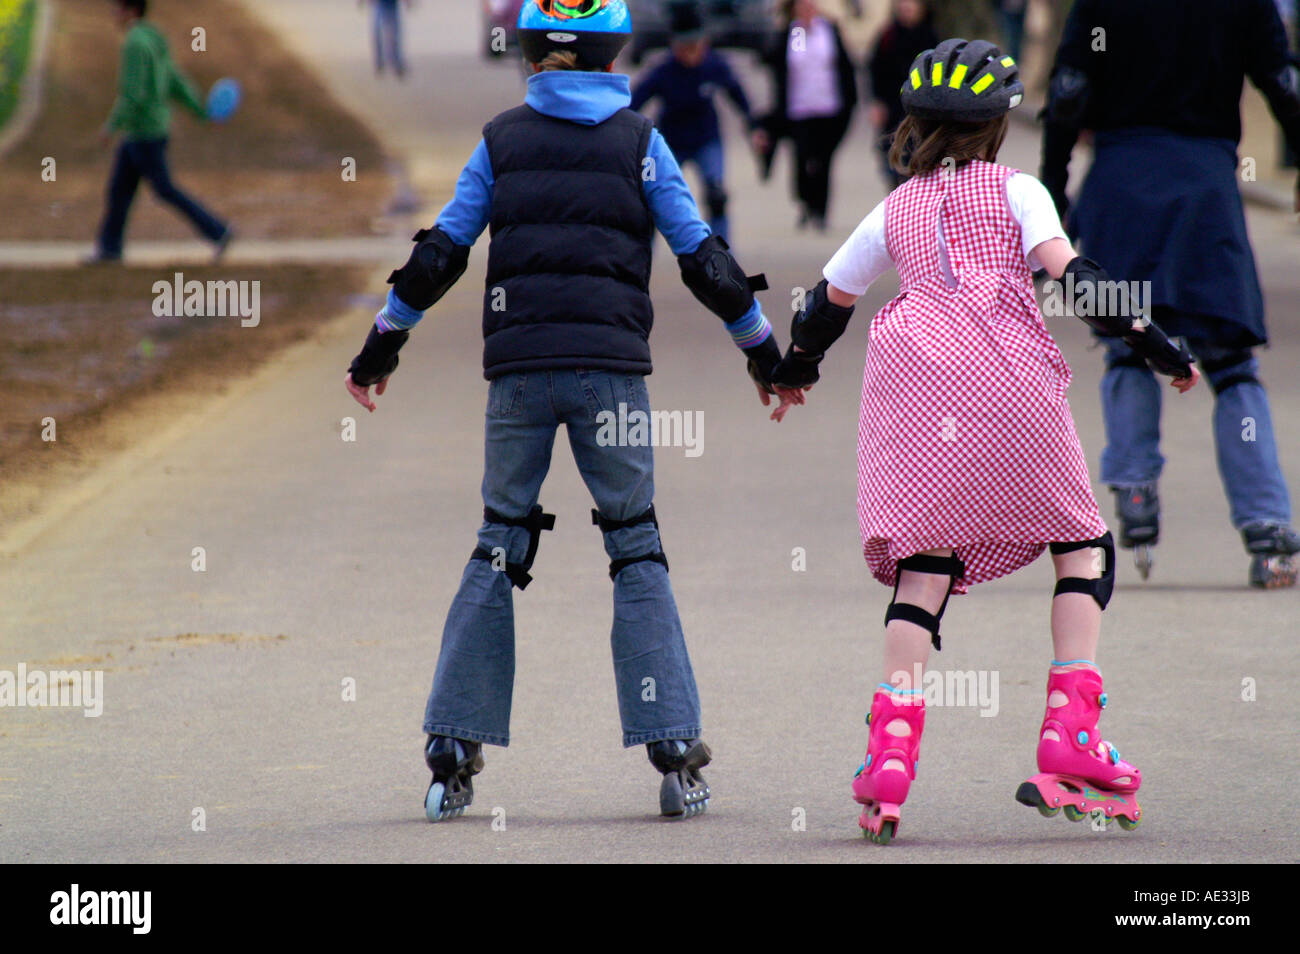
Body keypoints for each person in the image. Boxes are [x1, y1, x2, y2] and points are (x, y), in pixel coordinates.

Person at [343, 0, 798, 824]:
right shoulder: (640, 142)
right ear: (611, 52)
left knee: (496, 544)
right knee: (635, 547)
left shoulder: (500, 140)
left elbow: (441, 250)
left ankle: (451, 749)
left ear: (531, 51)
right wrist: (764, 353)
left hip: (518, 376)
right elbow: (704, 258)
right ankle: (673, 750)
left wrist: (383, 343)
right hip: (611, 378)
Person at [768, 40, 1199, 843]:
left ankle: (890, 752)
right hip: (1010, 384)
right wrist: (1154, 342)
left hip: (917, 388)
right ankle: (1071, 732)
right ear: (1000, 125)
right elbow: (1074, 277)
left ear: (916, 123)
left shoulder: (893, 208)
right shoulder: (1019, 189)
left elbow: (827, 304)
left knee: (923, 560)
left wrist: (795, 372)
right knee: (1081, 542)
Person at [1041, 0, 1300, 588]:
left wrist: (1054, 194)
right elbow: (1282, 82)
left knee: (1129, 344)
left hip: (1121, 185)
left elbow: (1068, 91)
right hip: (1204, 187)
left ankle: (1134, 491)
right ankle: (1267, 528)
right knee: (1231, 362)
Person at [90, 0, 231, 264]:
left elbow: (132, 95)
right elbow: (175, 80)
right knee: (119, 192)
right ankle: (109, 249)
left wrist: (111, 125)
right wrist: (201, 112)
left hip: (142, 131)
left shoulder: (134, 43)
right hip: (153, 128)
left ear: (130, 10)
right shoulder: (156, 38)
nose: (113, 14)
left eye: (117, 8)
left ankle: (218, 231)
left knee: (164, 189)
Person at [630, 4, 755, 243]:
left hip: (706, 140)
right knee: (652, 197)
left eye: (696, 47)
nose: (692, 54)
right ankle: (642, 251)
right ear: (675, 47)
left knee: (716, 196)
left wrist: (754, 125)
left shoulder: (714, 65)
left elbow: (737, 94)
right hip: (671, 142)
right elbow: (636, 101)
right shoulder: (663, 71)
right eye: (685, 48)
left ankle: (722, 255)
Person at [754, 0, 858, 231]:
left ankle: (820, 210)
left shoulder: (829, 30)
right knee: (802, 158)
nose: (807, 12)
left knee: (824, 161)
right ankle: (804, 202)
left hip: (830, 107)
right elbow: (792, 60)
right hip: (800, 109)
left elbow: (844, 65)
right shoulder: (796, 33)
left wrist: (852, 99)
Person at [865, 0, 939, 187]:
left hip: (924, 112)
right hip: (893, 109)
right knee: (892, 159)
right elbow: (875, 71)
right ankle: (898, 195)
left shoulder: (931, 37)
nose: (907, 8)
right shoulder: (887, 36)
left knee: (921, 160)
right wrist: (876, 103)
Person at [360, 0, 412, 78]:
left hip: (390, 5)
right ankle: (384, 63)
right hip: (381, 5)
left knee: (391, 34)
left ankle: (393, 63)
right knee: (384, 34)